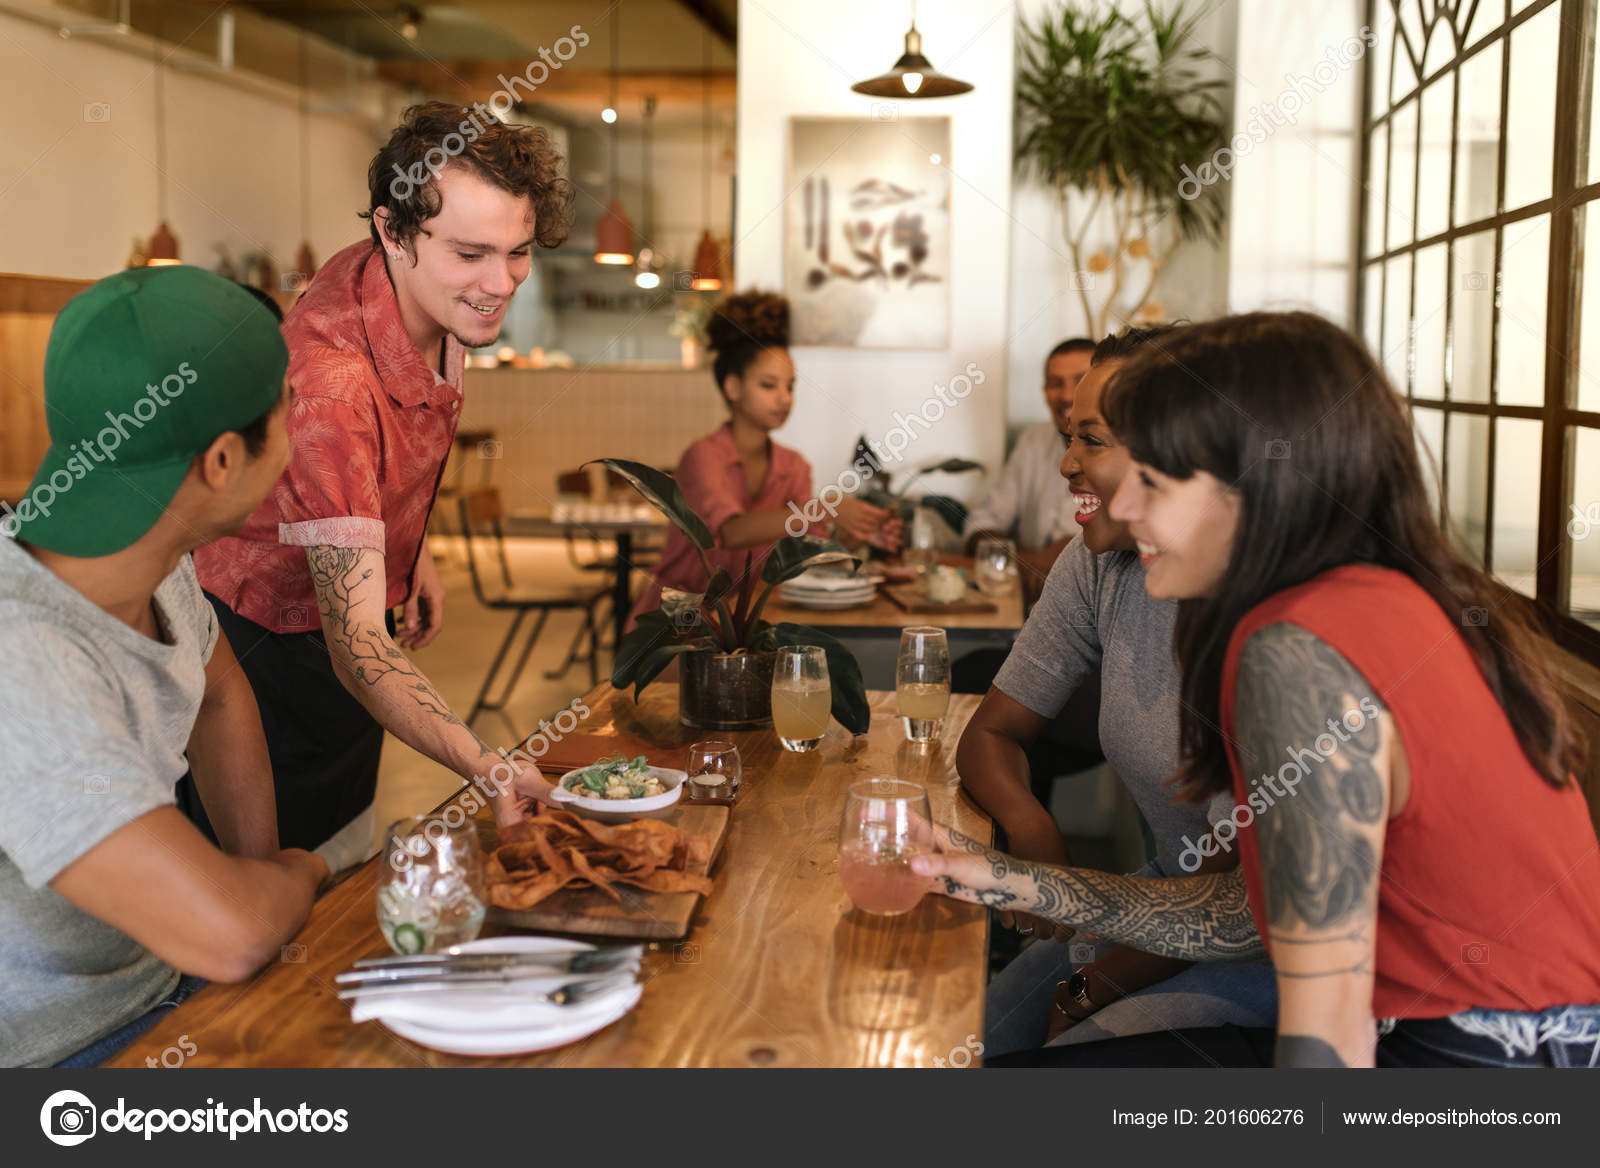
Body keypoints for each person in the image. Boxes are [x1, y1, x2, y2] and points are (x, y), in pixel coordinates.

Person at [917, 311, 1600, 1067]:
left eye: (1158, 476)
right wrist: (1012, 877)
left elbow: (1326, 1025)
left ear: (1250, 481)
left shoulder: (1295, 652)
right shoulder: (1359, 599)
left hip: (1471, 1053)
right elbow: (1253, 910)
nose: (1126, 503)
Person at [193, 102, 575, 864]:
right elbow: (357, 644)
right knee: (278, 893)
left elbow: (397, 453)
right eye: (471, 254)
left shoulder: (422, 287)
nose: (501, 284)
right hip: (269, 646)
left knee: (344, 858)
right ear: (393, 231)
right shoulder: (331, 385)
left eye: (519, 252)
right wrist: (483, 764)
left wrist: (410, 546)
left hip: (343, 611)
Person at [0, 267, 329, 1068]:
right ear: (222, 460)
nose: (296, 428)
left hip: (165, 987)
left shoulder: (139, 540)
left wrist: (249, 882)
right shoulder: (23, 657)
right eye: (286, 406)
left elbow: (218, 692)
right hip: (64, 1057)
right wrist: (295, 875)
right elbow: (232, 932)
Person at [957, 325, 1275, 1057]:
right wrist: (1035, 838)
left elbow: (1241, 904)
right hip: (1165, 899)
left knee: (1057, 1050)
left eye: (1092, 440)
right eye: (1070, 435)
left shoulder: (1272, 611)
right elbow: (993, 729)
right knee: (976, 1042)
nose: (1066, 463)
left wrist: (1092, 983)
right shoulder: (1101, 561)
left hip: (1277, 948)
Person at [627, 291, 900, 626]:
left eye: (791, 387)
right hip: (676, 622)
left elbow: (807, 554)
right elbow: (732, 532)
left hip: (746, 624)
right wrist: (828, 506)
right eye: (769, 385)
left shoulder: (793, 466)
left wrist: (856, 534)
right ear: (733, 388)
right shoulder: (703, 456)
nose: (784, 399)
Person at [963, 338, 1094, 593]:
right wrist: (1020, 559)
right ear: (1044, 390)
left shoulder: (1129, 451)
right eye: (1056, 384)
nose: (1067, 395)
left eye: (1080, 380)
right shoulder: (1033, 440)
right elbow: (982, 522)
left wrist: (1068, 551)